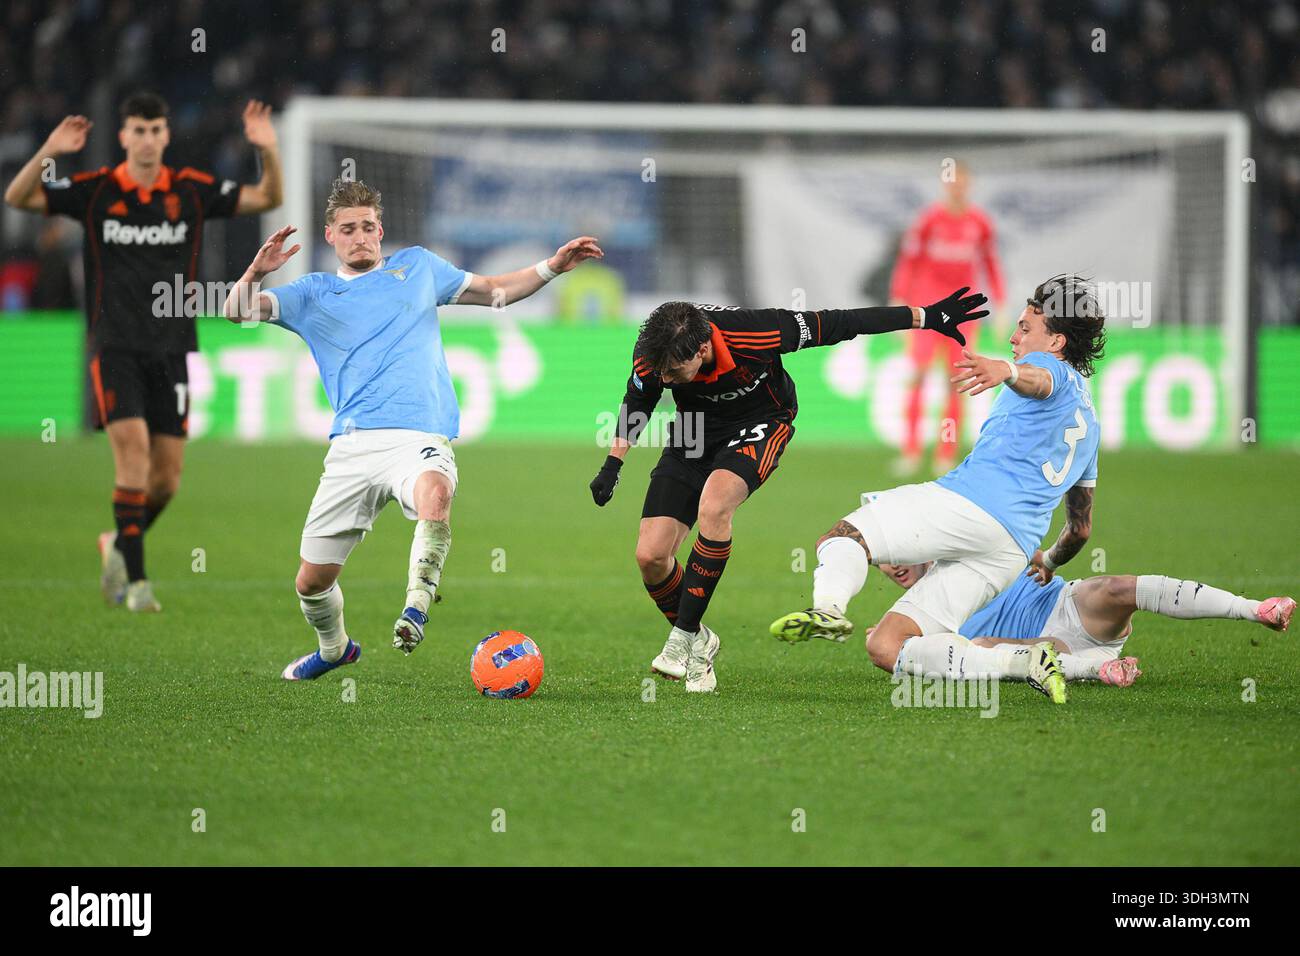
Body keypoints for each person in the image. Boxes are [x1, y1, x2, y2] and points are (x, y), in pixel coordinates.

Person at [223, 178, 602, 680]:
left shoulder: (418, 268)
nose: (359, 236)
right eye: (347, 229)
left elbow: (493, 292)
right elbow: (236, 311)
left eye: (367, 227)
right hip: (352, 448)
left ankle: (416, 607)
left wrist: (552, 267)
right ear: (331, 236)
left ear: (380, 231)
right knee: (312, 582)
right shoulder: (313, 292)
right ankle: (335, 648)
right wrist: (255, 272)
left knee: (436, 493)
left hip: (418, 437)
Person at [591, 289, 988, 692]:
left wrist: (925, 315)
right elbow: (639, 400)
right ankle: (701, 642)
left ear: (704, 348)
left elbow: (841, 322)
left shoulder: (756, 331)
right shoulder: (654, 352)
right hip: (693, 434)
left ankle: (682, 638)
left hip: (761, 423)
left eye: (674, 373)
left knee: (715, 505)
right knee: (651, 555)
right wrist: (613, 463)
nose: (665, 379)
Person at [4, 92, 283, 612]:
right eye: (138, 130)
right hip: (114, 346)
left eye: (156, 130)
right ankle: (137, 582)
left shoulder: (191, 191)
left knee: (166, 480)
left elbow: (267, 197)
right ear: (124, 136)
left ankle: (118, 541)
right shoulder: (97, 191)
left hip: (173, 348)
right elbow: (19, 198)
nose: (148, 139)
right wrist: (50, 149)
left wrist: (267, 148)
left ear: (166, 136)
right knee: (131, 458)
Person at [771, 274, 1107, 705]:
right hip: (1012, 550)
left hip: (972, 507)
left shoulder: (1051, 372)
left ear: (1057, 342)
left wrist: (1004, 369)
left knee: (845, 537)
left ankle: (830, 609)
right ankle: (1024, 662)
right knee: (888, 646)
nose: (1013, 336)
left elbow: (1037, 379)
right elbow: (1080, 528)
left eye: (1025, 328)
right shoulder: (1090, 426)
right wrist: (1048, 559)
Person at [874, 561, 1295, 686]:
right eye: (883, 564)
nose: (892, 567)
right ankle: (1102, 669)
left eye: (895, 553)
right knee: (982, 644)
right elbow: (906, 651)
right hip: (1040, 647)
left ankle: (1255, 609)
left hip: (1067, 607)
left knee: (1114, 588)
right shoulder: (915, 611)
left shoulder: (971, 552)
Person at [890, 162, 1006, 475]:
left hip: (964, 312)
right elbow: (909, 261)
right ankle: (911, 451)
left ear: (969, 184)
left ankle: (946, 450)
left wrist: (1001, 302)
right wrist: (898, 299)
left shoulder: (980, 223)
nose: (957, 187)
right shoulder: (928, 220)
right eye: (952, 181)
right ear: (945, 184)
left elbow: (991, 262)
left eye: (963, 181)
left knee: (956, 382)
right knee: (919, 374)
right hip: (928, 308)